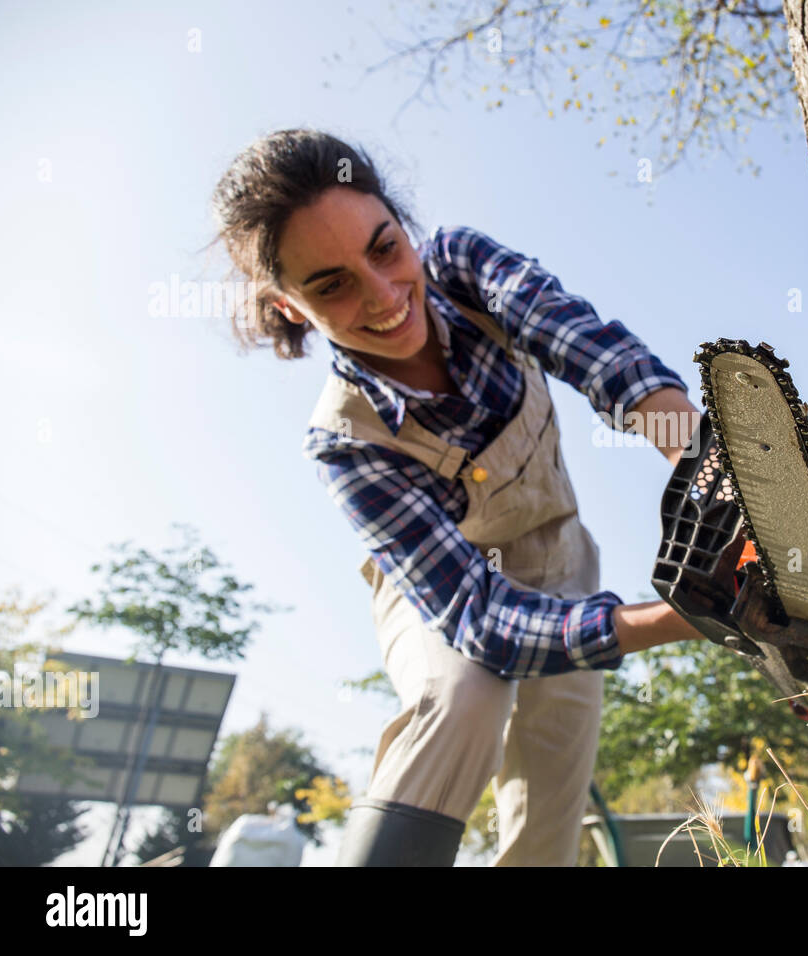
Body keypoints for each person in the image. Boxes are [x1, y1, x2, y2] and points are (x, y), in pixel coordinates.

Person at [210, 128, 707, 866]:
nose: (384, 297)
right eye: (332, 285)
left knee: (550, 809)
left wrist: (712, 475)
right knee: (467, 692)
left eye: (385, 249)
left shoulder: (464, 268)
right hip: (436, 590)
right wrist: (685, 616)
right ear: (289, 305)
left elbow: (597, 354)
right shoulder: (345, 440)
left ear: (402, 226)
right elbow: (477, 617)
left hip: (562, 562)